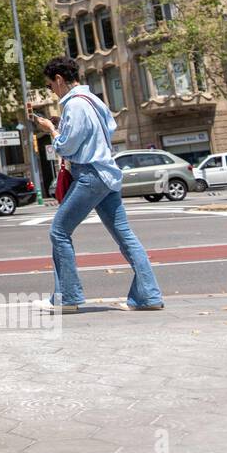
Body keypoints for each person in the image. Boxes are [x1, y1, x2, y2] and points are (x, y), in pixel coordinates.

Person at [30, 57, 165, 312]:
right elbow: (106, 130)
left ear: (59, 79)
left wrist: (52, 130)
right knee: (125, 237)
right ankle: (149, 296)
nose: (52, 91)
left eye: (50, 86)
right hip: (108, 174)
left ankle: (67, 298)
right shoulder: (95, 100)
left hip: (90, 175)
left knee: (59, 231)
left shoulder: (74, 105)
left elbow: (67, 146)